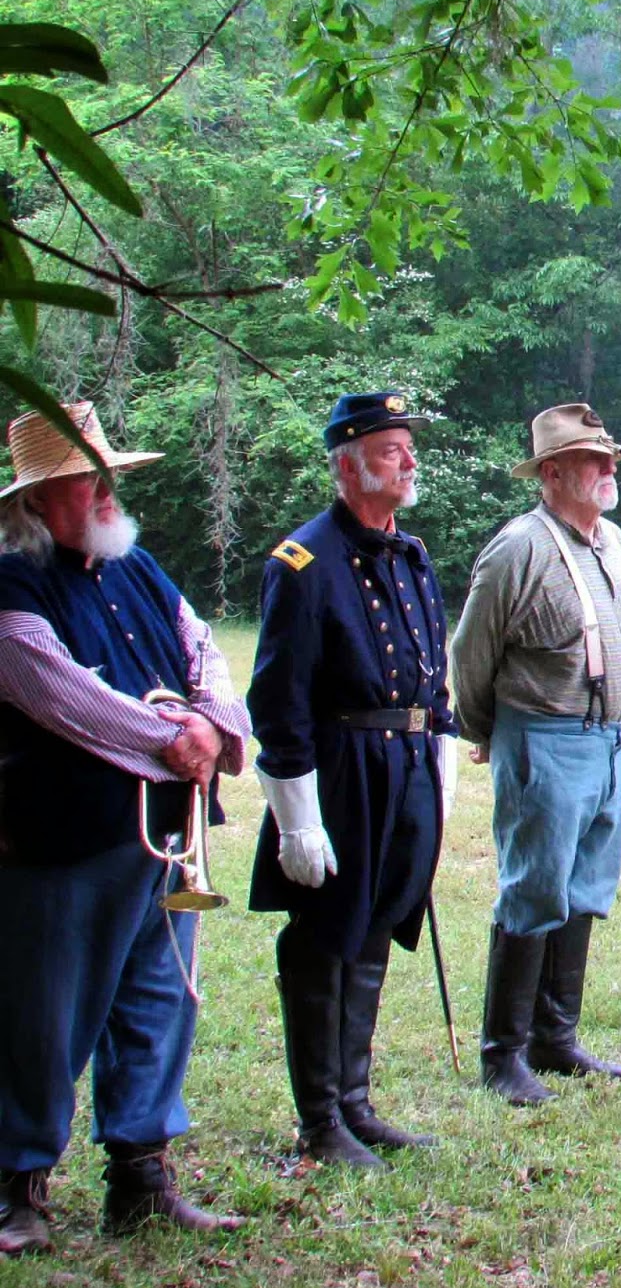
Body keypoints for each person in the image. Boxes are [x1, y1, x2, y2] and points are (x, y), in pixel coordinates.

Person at [0, 403, 248, 1253]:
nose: (107, 492)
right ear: (37, 502)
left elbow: (203, 645)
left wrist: (215, 721)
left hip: (166, 838)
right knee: (44, 1017)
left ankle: (140, 1180)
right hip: (62, 843)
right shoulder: (10, 582)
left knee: (159, 1005)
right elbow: (56, 691)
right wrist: (174, 740)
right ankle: (17, 1189)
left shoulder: (137, 566)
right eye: (85, 481)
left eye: (108, 476)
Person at [248, 392, 458, 1170]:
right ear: (347, 463)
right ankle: (319, 1121)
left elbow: (432, 676)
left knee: (373, 932)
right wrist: (298, 819)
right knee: (323, 939)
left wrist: (438, 760)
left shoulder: (412, 554)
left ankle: (357, 1104)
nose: (408, 458)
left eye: (409, 445)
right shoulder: (302, 564)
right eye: (390, 446)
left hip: (405, 770)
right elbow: (278, 699)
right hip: (339, 776)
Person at [450, 404, 621, 1105]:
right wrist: (486, 732)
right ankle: (504, 1053)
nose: (609, 468)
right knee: (533, 889)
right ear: (552, 473)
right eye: (594, 459)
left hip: (608, 743)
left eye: (609, 456)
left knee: (585, 890)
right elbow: (472, 656)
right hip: (545, 738)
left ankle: (556, 1039)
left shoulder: (614, 542)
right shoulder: (517, 549)